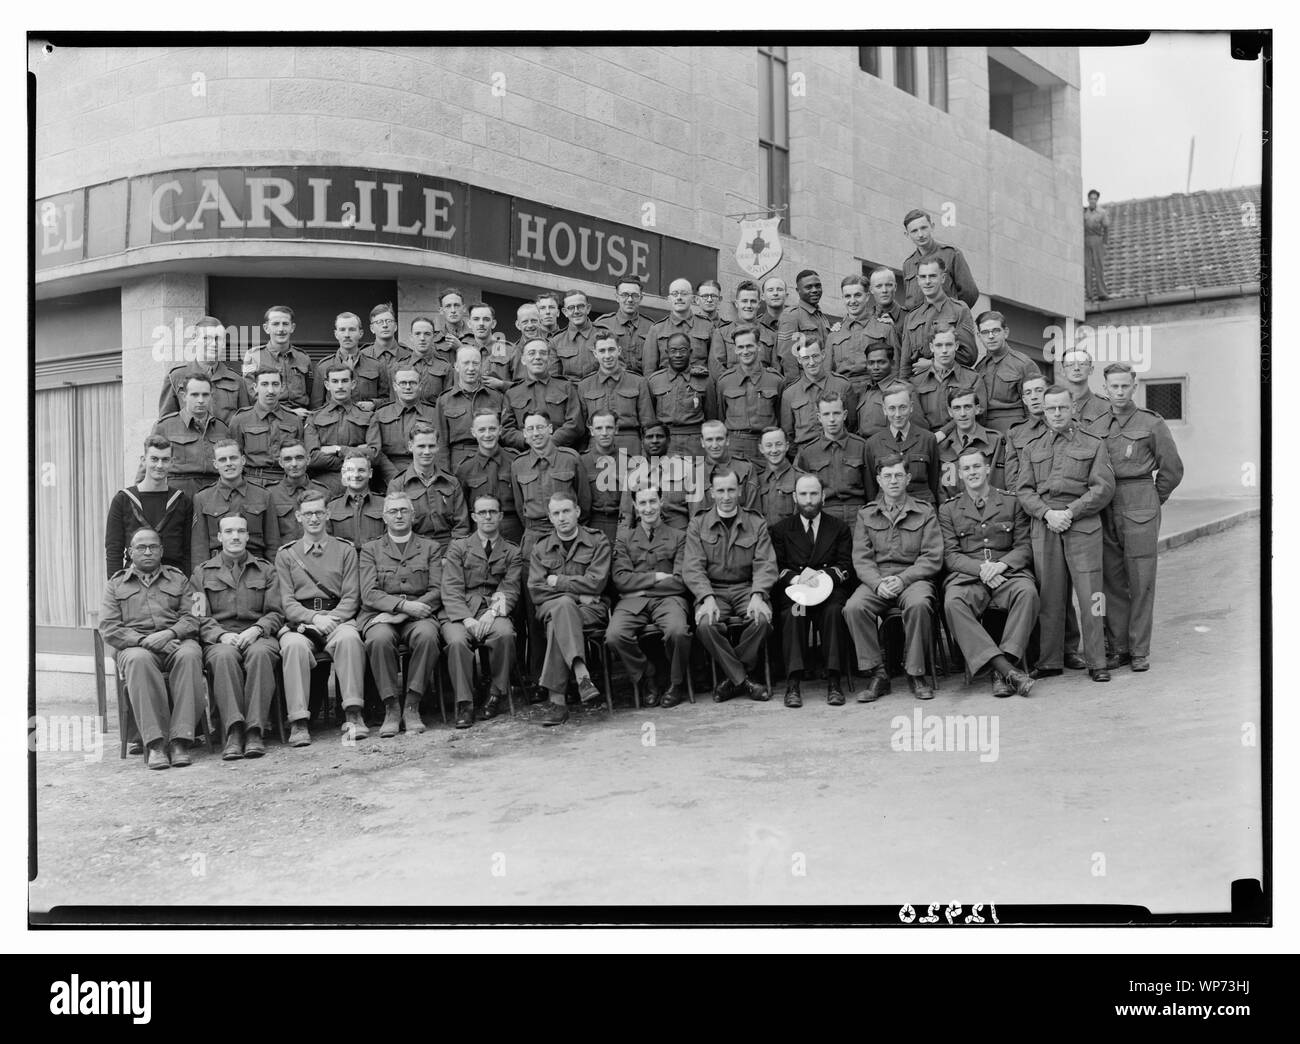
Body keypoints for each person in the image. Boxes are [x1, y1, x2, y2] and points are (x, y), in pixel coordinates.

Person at [1086, 362, 1184, 672]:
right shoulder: (1095, 424)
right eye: (1113, 386)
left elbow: (1172, 468)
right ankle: (1121, 648)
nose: (1119, 391)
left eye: (1124, 385)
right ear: (1105, 388)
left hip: (1140, 499)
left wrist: (1154, 498)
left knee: (1141, 580)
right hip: (1105, 503)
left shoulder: (1151, 423)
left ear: (1134, 386)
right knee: (1112, 581)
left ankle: (1140, 650)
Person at [1015, 384, 1115, 681]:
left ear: (1073, 408)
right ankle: (1049, 661)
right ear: (1042, 412)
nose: (1056, 413)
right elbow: (1024, 490)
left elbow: (1103, 487)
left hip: (1082, 524)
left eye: (1062, 407)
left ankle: (1097, 662)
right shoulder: (1032, 447)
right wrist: (1047, 513)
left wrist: (1071, 512)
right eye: (1050, 409)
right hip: (1046, 525)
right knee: (1050, 596)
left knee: (1091, 596)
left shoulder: (1094, 443)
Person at [99, 528, 203, 769]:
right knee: (139, 661)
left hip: (176, 642)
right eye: (141, 547)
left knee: (190, 655)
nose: (147, 551)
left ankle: (180, 740)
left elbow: (195, 617)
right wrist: (147, 641)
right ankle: (155, 744)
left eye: (153, 547)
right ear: (130, 552)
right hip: (135, 646)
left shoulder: (180, 579)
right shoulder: (115, 585)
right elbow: (109, 627)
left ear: (161, 550)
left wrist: (169, 634)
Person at [843, 454, 943, 701]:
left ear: (908, 478)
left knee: (919, 604)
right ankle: (878, 674)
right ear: (879, 480)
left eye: (899, 475)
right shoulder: (866, 514)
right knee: (854, 607)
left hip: (913, 579)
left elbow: (932, 556)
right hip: (877, 580)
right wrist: (877, 584)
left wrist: (903, 580)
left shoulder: (925, 511)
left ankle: (916, 672)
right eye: (887, 476)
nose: (893, 481)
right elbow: (861, 559)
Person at [938, 448, 1038, 698]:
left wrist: (1001, 565)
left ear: (987, 469)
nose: (972, 472)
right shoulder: (948, 510)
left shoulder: (1011, 501)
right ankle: (1005, 669)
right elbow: (950, 555)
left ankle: (1001, 666)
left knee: (1027, 593)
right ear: (960, 474)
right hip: (971, 576)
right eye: (966, 469)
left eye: (976, 467)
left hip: (1007, 573)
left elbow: (1025, 546)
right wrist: (982, 569)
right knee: (953, 602)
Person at [275, 490, 367, 745]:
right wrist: (315, 619)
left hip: (338, 619)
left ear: (327, 514)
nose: (313, 518)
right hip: (302, 623)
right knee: (292, 646)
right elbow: (287, 602)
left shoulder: (345, 550)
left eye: (318, 512)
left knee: (350, 638)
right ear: (298, 517)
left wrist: (332, 619)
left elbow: (351, 597)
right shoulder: (286, 555)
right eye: (307, 514)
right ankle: (299, 721)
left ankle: (353, 714)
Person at [193, 513, 283, 759]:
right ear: (219, 537)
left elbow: (277, 612)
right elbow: (197, 616)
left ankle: (255, 730)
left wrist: (257, 629)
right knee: (223, 657)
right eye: (229, 532)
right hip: (220, 638)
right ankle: (233, 730)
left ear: (247, 536)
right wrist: (220, 635)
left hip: (258, 634)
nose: (235, 536)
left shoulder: (266, 570)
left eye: (241, 531)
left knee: (261, 654)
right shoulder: (201, 573)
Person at [682, 469, 777, 703]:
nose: (726, 496)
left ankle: (731, 679)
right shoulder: (698, 523)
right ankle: (744, 680)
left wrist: (758, 594)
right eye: (721, 490)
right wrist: (706, 597)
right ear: (712, 492)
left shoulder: (756, 523)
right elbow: (693, 567)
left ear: (740, 491)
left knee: (762, 620)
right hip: (714, 591)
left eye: (731, 490)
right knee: (704, 626)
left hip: (747, 588)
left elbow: (766, 563)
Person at [358, 492, 444, 736]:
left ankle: (412, 705)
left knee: (428, 636)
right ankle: (391, 707)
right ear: (384, 517)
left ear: (413, 515)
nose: (398, 515)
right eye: (393, 511)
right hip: (379, 616)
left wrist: (404, 614)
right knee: (378, 640)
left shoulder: (431, 547)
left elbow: (437, 590)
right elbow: (369, 593)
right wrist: (403, 607)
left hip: (419, 615)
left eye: (403, 510)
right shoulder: (370, 549)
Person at [770, 475, 855, 707]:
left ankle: (834, 681)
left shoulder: (839, 528)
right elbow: (775, 568)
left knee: (834, 612)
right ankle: (793, 684)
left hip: (828, 592)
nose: (809, 500)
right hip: (797, 593)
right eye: (804, 495)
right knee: (793, 614)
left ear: (823, 497)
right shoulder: (780, 530)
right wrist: (798, 578)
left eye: (814, 494)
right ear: (795, 497)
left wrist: (820, 577)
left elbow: (846, 565)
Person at [527, 493, 612, 725]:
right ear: (550, 518)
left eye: (566, 511)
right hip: (564, 605)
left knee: (560, 620)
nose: (562, 517)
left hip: (591, 610)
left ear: (577, 512)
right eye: (556, 513)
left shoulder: (598, 541)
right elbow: (536, 590)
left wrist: (558, 582)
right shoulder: (540, 548)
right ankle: (581, 672)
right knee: (563, 606)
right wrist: (577, 593)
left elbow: (597, 582)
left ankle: (557, 703)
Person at [606, 484, 691, 708]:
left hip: (668, 599)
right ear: (634, 506)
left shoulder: (679, 537)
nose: (648, 508)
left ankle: (675, 682)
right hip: (633, 602)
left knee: (678, 631)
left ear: (661, 502)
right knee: (614, 636)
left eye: (653, 501)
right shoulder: (625, 539)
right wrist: (656, 577)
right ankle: (647, 676)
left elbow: (681, 581)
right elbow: (621, 580)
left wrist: (639, 587)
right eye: (642, 503)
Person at [442, 494, 522, 724]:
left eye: (493, 512)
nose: (488, 516)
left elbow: (510, 587)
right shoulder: (459, 547)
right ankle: (465, 703)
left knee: (505, 634)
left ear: (500, 516)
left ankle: (495, 694)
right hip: (460, 613)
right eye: (483, 512)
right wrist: (467, 619)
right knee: (457, 642)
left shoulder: (512, 551)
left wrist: (492, 612)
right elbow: (451, 587)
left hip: (493, 610)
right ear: (474, 516)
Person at [106, 435, 192, 577]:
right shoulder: (123, 500)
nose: (159, 465)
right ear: (143, 460)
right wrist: (116, 588)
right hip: (134, 582)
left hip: (172, 582)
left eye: (165, 460)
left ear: (171, 462)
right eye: (154, 459)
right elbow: (113, 550)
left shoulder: (182, 501)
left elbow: (187, 551)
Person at [510, 412, 591, 560]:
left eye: (540, 427)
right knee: (533, 580)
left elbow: (584, 500)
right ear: (525, 433)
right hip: (533, 535)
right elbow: (519, 505)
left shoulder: (570, 459)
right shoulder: (518, 464)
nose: (536, 433)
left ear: (550, 429)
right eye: (530, 429)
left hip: (567, 533)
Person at [191, 439, 278, 572]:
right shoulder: (202, 498)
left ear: (243, 460)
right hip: (216, 570)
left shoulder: (264, 495)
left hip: (256, 569)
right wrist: (200, 580)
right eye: (222, 460)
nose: (229, 464)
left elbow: (273, 544)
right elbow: (199, 548)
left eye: (233, 458)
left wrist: (273, 575)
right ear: (215, 464)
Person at [386, 422, 469, 554]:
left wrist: (450, 557)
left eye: (431, 446)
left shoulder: (451, 482)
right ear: (410, 446)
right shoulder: (398, 485)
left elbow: (461, 526)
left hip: (449, 549)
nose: (427, 452)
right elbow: (395, 527)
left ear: (437, 447)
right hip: (413, 551)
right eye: (421, 446)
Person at [304, 364, 382, 496]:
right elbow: (312, 458)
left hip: (360, 485)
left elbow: (374, 455)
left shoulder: (368, 416)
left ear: (353, 384)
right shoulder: (314, 417)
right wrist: (358, 454)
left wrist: (338, 450)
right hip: (324, 487)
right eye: (335, 381)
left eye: (344, 381)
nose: (340, 386)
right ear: (327, 385)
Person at [795, 392, 870, 525]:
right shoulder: (808, 452)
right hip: (824, 513)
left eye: (836, 413)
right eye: (826, 414)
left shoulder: (861, 446)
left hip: (857, 513)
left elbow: (871, 489)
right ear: (819, 417)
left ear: (845, 415)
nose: (831, 419)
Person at [158, 315, 250, 423]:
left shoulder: (237, 380)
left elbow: (245, 423)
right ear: (194, 340)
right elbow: (166, 425)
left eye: (217, 339)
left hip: (226, 438)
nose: (213, 344)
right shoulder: (176, 377)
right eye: (206, 338)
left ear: (224, 343)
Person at [576, 333, 655, 456]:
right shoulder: (584, 385)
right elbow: (581, 428)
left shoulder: (638, 382)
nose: (607, 355)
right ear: (595, 354)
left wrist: (645, 454)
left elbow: (648, 424)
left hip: (631, 446)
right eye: (602, 351)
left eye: (611, 350)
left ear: (619, 351)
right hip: (597, 447)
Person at [150, 375, 229, 497]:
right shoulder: (165, 426)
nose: (201, 400)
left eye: (205, 395)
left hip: (214, 494)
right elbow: (150, 464)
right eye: (195, 395)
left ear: (211, 396)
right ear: (184, 396)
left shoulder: (222, 429)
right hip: (178, 493)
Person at [715, 326, 784, 463]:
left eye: (749, 346)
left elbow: (781, 418)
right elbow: (720, 417)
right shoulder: (725, 381)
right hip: (734, 448)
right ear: (735, 349)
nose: (745, 351)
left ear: (758, 346)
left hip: (767, 447)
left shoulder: (776, 380)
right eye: (740, 347)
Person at [226, 368, 305, 488]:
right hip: (252, 482)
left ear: (282, 387)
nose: (270, 390)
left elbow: (301, 457)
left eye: (275, 384)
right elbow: (233, 457)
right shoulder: (240, 419)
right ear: (255, 387)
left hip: (286, 483)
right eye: (264, 384)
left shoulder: (294, 419)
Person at [864, 384, 941, 505]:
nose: (898, 414)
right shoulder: (872, 443)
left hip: (922, 509)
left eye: (903, 407)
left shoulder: (928, 439)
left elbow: (934, 480)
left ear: (911, 407)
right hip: (887, 511)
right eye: (892, 408)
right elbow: (871, 486)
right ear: (884, 410)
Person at [502, 338, 584, 451]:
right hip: (525, 455)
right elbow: (506, 430)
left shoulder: (566, 387)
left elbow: (575, 424)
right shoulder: (512, 393)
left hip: (561, 452)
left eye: (543, 353)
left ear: (549, 359)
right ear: (523, 360)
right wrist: (529, 440)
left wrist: (551, 441)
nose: (538, 357)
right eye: (531, 353)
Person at [434, 345, 507, 473]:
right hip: (458, 464)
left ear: (481, 366)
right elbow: (441, 443)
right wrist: (445, 475)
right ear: (456, 366)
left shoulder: (496, 397)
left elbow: (504, 434)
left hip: (493, 459)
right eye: (466, 363)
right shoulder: (444, 400)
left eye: (475, 363)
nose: (471, 368)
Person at [900, 258, 978, 376]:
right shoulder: (912, 317)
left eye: (932, 276)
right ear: (918, 280)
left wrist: (933, 364)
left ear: (942, 278)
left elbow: (969, 356)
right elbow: (905, 365)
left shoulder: (959, 310)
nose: (927, 281)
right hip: (919, 386)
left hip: (950, 383)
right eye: (923, 277)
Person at [455, 410, 522, 545]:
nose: (487, 434)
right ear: (473, 432)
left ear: (500, 430)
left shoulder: (515, 461)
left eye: (492, 429)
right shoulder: (465, 468)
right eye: (482, 430)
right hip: (479, 531)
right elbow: (462, 509)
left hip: (513, 529)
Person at [827, 274, 900, 397]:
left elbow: (895, 367)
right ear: (842, 298)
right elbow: (827, 373)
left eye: (857, 295)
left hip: (876, 392)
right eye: (847, 296)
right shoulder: (834, 334)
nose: (852, 301)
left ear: (867, 297)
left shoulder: (884, 328)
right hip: (843, 395)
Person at [781, 336, 856, 455]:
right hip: (805, 455)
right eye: (806, 358)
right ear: (799, 360)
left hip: (838, 451)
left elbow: (852, 424)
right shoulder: (789, 393)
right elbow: (788, 434)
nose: (811, 362)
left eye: (815, 356)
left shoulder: (842, 385)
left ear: (823, 355)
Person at [648, 331, 716, 459]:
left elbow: (712, 416)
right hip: (664, 442)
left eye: (683, 350)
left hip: (695, 442)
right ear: (667, 353)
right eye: (673, 351)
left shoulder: (705, 380)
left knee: (696, 478)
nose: (678, 355)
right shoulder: (655, 381)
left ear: (690, 352)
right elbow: (650, 419)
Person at [974, 311, 1041, 435]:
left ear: (1005, 332)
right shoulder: (979, 368)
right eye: (985, 332)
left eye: (995, 331)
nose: (990, 336)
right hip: (985, 434)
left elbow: (1036, 408)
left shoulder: (1023, 364)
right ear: (979, 336)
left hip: (1015, 432)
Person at [370, 364, 439, 485]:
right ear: (395, 386)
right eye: (403, 383)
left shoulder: (434, 413)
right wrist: (395, 478)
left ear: (420, 386)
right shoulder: (380, 414)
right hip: (389, 477)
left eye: (412, 383)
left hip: (427, 474)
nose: (408, 387)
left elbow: (440, 448)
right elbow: (377, 453)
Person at [900, 208, 980, 311]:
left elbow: (970, 293)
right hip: (918, 325)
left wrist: (954, 316)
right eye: (914, 231)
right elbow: (910, 302)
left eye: (923, 228)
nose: (920, 235)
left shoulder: (951, 254)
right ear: (907, 235)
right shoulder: (908, 264)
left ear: (932, 227)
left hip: (946, 324)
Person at [912, 325, 985, 433]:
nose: (944, 350)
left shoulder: (972, 379)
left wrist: (943, 433)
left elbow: (979, 414)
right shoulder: (917, 382)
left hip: (963, 441)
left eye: (949, 345)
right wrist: (929, 439)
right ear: (932, 347)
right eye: (939, 345)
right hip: (928, 441)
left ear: (956, 346)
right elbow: (915, 419)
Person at [644, 278, 723, 375]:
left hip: (699, 386)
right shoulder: (657, 329)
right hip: (666, 387)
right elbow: (649, 370)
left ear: (693, 298)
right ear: (669, 299)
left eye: (684, 294)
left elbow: (715, 366)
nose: (679, 297)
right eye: (675, 294)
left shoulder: (707, 326)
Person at [938, 387, 1005, 502]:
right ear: (950, 412)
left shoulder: (995, 440)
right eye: (957, 408)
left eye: (967, 407)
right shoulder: (943, 447)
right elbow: (941, 490)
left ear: (977, 409)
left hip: (990, 508)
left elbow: (999, 482)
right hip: (955, 512)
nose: (963, 414)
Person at [244, 305, 312, 416]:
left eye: (285, 324)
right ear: (266, 328)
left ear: (292, 327)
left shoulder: (303, 357)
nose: (281, 329)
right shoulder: (253, 356)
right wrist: (290, 413)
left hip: (303, 418)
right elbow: (251, 395)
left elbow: (311, 393)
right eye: (275, 324)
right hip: (268, 418)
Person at [311, 312, 385, 410]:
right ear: (336, 334)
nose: (347, 335)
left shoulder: (376, 365)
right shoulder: (323, 366)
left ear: (361, 333)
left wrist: (374, 404)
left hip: (367, 421)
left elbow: (388, 400)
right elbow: (316, 406)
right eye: (342, 330)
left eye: (352, 330)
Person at [265, 439, 329, 546]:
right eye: (288, 459)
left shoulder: (323, 492)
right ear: (281, 463)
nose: (294, 464)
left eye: (299, 458)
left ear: (308, 460)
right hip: (285, 557)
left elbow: (329, 532)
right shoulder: (270, 493)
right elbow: (270, 537)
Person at [694, 420, 759, 516]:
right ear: (702, 442)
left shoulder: (745, 469)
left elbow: (753, 511)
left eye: (719, 439)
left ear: (727, 440)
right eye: (709, 440)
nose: (715, 445)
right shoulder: (693, 472)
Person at [580, 410, 625, 548]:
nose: (604, 432)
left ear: (616, 430)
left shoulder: (628, 461)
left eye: (609, 427)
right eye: (599, 428)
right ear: (592, 431)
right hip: (591, 524)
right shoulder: (581, 461)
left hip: (620, 524)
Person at [776, 270, 831, 383]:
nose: (814, 290)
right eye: (808, 287)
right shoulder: (791, 315)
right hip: (805, 384)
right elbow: (788, 358)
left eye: (817, 286)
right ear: (798, 290)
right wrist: (797, 388)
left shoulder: (822, 317)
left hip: (825, 381)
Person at [593, 277, 654, 374]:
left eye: (634, 295)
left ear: (641, 298)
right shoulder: (602, 325)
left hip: (641, 384)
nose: (630, 300)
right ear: (617, 297)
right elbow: (594, 362)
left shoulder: (651, 328)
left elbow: (653, 366)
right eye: (625, 295)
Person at [715, 280, 778, 374]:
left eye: (753, 301)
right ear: (736, 304)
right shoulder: (721, 333)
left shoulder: (771, 335)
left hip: (763, 386)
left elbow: (775, 371)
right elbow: (717, 370)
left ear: (759, 304)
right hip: (732, 387)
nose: (748, 305)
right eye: (744, 301)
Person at [390, 316, 454, 404]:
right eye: (417, 334)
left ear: (434, 337)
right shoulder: (398, 367)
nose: (422, 338)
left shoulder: (445, 367)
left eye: (427, 334)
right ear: (411, 337)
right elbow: (394, 404)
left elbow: (448, 404)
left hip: (434, 416)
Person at [327, 452, 387, 546]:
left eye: (361, 470)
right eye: (350, 470)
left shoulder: (385, 504)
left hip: (377, 558)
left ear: (370, 473)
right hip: (344, 559)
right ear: (343, 473)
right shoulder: (331, 508)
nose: (356, 475)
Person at [855, 349, 912, 440]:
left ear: (892, 363)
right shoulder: (864, 390)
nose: (876, 367)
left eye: (881, 362)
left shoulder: (903, 389)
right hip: (864, 446)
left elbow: (916, 427)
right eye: (871, 363)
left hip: (888, 448)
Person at [756, 427, 803, 528]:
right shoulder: (757, 480)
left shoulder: (800, 479)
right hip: (765, 540)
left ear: (786, 446)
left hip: (790, 539)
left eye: (779, 444)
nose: (774, 450)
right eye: (768, 445)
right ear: (761, 449)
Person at [550, 289, 600, 381]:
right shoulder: (556, 342)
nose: (576, 311)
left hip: (598, 391)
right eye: (571, 308)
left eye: (580, 306)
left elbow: (615, 369)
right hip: (569, 392)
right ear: (565, 312)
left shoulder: (603, 335)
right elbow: (554, 379)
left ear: (588, 308)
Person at [866, 266, 907, 372]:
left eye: (888, 285)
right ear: (871, 290)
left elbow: (914, 356)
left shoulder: (909, 317)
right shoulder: (865, 319)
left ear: (895, 287)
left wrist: (895, 332)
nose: (884, 290)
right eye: (879, 286)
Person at [1060, 347, 1111, 425]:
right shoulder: (1054, 406)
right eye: (1070, 364)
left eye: (1082, 364)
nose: (1076, 368)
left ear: (1091, 369)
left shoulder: (1106, 407)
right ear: (1062, 371)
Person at [359, 302, 407, 377]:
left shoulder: (408, 356)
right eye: (379, 322)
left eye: (389, 321)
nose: (385, 325)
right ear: (372, 328)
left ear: (395, 327)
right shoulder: (362, 357)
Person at [1083, 189, 1111, 300]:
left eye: (1095, 199)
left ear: (1097, 200)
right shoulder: (1084, 212)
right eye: (1091, 198)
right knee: (1087, 267)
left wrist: (1104, 243)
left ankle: (1102, 293)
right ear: (1088, 199)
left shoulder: (1102, 213)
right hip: (1086, 240)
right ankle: (1089, 294)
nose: (1092, 201)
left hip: (1097, 239)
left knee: (1099, 266)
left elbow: (1106, 228)